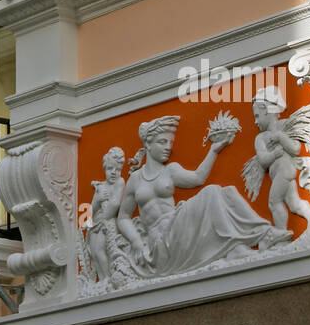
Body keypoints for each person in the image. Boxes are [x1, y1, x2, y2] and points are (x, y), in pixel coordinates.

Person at [116, 116, 291, 278]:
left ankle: (255, 238)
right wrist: (136, 242)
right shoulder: (135, 179)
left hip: (178, 227)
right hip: (161, 243)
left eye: (170, 142)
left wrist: (213, 151)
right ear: (148, 144)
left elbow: (198, 178)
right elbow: (123, 217)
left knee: (227, 191)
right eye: (162, 142)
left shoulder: (170, 170)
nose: (168, 147)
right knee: (211, 192)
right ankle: (240, 243)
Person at [243, 89, 310, 232]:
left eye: (257, 116)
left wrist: (280, 138)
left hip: (284, 170)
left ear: (266, 110)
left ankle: (281, 233)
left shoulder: (284, 127)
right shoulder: (260, 138)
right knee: (294, 204)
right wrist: (274, 155)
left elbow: (295, 149)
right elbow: (263, 161)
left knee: (274, 202)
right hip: (280, 174)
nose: (255, 121)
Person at [86, 147, 126, 280]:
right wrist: (97, 201)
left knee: (101, 251)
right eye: (110, 169)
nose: (114, 173)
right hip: (95, 225)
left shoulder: (120, 183)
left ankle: (107, 280)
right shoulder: (99, 187)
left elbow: (115, 204)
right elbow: (86, 214)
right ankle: (101, 281)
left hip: (107, 223)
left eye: (118, 170)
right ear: (105, 169)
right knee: (95, 254)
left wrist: (105, 218)